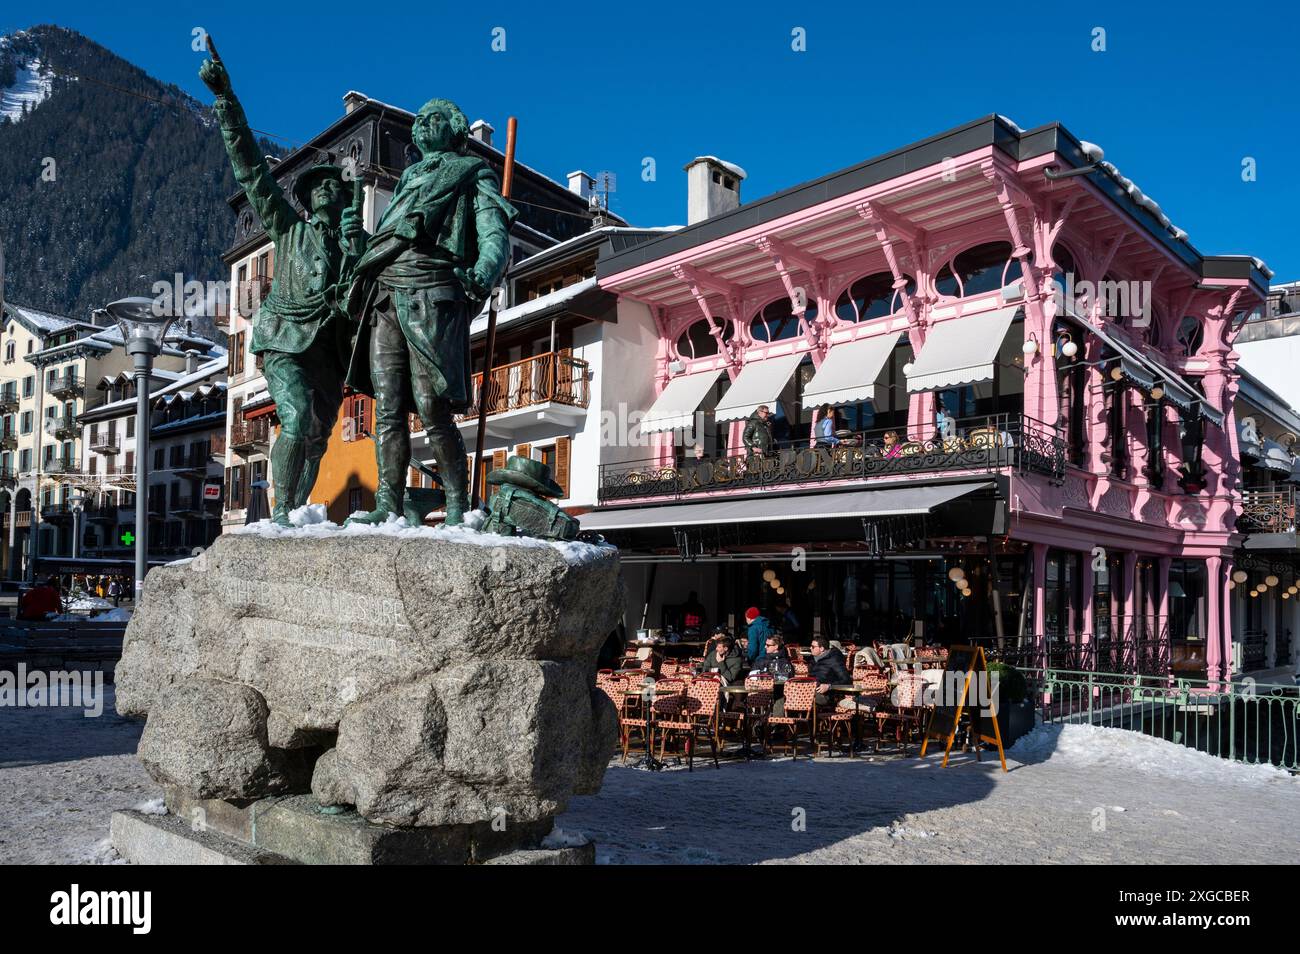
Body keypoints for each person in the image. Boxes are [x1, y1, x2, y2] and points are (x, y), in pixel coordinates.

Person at [200, 55, 360, 526]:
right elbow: (251, 173)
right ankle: (282, 511)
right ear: (308, 200)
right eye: (319, 188)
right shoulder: (290, 230)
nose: (327, 191)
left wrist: (358, 250)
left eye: (335, 186)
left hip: (329, 352)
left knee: (316, 435)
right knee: (294, 417)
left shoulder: (358, 243)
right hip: (286, 334)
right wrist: (226, 100)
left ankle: (296, 512)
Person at [345, 97, 517, 526]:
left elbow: (495, 232)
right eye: (418, 121)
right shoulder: (408, 181)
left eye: (434, 119)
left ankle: (457, 503)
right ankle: (388, 502)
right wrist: (358, 239)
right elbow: (390, 242)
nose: (422, 126)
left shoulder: (471, 173)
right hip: (385, 296)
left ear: (455, 129)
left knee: (432, 406)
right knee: (387, 407)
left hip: (433, 293)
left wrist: (484, 272)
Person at [808, 636, 851, 709]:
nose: (810, 648)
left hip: (826, 695)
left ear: (821, 649)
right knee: (787, 695)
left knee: (799, 697)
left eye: (813, 646)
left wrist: (829, 686)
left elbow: (846, 680)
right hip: (810, 690)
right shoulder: (813, 660)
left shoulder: (834, 660)